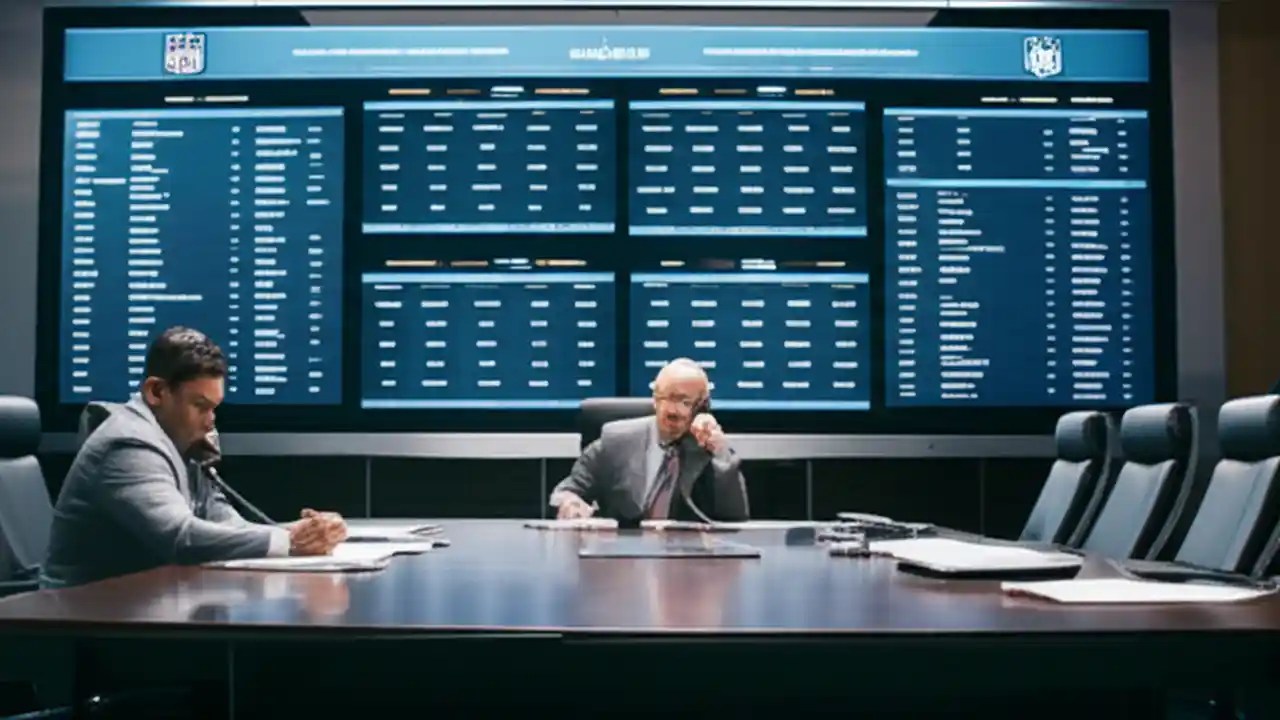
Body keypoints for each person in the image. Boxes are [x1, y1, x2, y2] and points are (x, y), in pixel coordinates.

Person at [42, 326, 348, 587]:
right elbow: (181, 538)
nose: (211, 421)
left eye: (214, 408)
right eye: (200, 406)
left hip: (132, 608)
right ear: (157, 392)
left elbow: (226, 526)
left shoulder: (180, 443)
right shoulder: (127, 445)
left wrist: (299, 532)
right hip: (75, 622)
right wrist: (291, 542)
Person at [549, 358, 749, 523]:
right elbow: (566, 491)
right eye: (665, 398)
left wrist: (719, 451)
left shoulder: (707, 446)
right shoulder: (616, 441)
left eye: (684, 402)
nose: (672, 410)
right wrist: (570, 503)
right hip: (621, 558)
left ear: (702, 406)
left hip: (687, 559)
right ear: (654, 399)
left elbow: (734, 516)